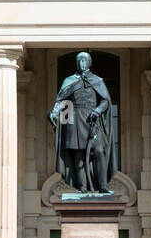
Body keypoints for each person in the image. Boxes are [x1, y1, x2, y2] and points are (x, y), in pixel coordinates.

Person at [48, 52, 114, 193]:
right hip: (75, 120)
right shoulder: (69, 80)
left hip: (93, 120)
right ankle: (82, 188)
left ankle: (103, 186)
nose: (81, 63)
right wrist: (55, 113)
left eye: (84, 60)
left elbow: (105, 101)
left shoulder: (97, 80)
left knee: (99, 151)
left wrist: (97, 111)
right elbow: (62, 101)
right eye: (79, 61)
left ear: (89, 63)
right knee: (78, 155)